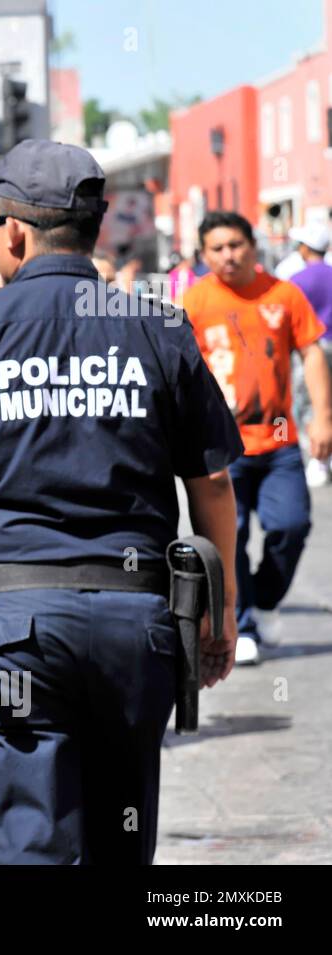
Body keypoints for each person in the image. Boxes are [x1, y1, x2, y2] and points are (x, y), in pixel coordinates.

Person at [0, 139, 243, 864]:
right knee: (120, 844)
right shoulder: (160, 328)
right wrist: (221, 610)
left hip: (8, 632)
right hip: (137, 625)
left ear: (12, 231)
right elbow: (212, 481)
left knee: (36, 848)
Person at [185, 211, 332, 664]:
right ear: (204, 254)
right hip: (220, 448)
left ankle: (266, 598)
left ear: (252, 244)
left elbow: (311, 352)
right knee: (231, 537)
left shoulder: (283, 295)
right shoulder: (195, 301)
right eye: (217, 249)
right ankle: (244, 623)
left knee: (291, 525)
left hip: (279, 441)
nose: (228, 256)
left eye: (236, 245)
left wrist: (323, 418)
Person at [286, 224, 332, 487]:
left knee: (308, 402)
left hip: (311, 349)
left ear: (305, 248)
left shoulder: (297, 281)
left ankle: (318, 458)